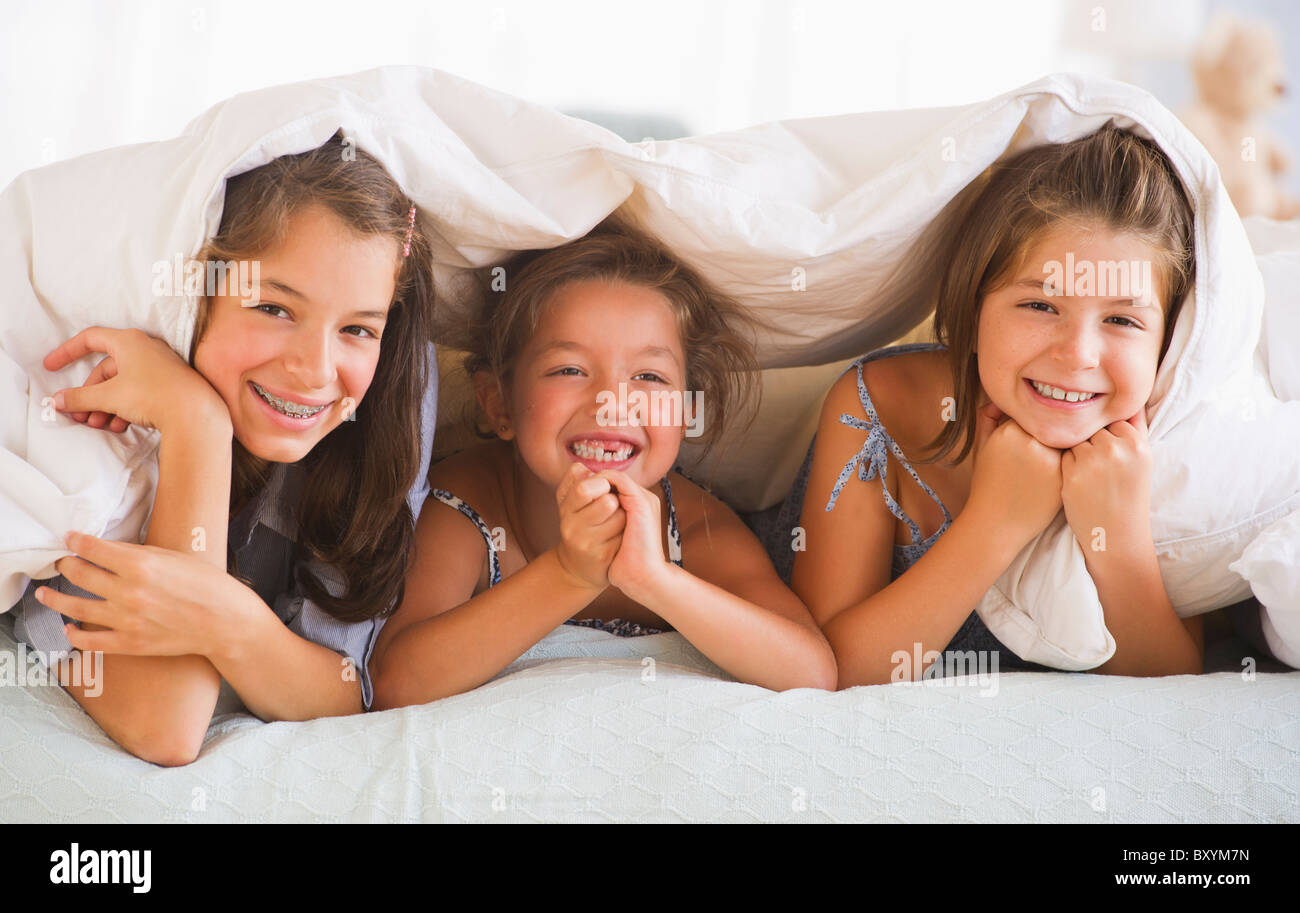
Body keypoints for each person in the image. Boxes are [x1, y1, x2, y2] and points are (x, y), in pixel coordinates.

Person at [13, 133, 437, 764]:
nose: (315, 370)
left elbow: (349, 691)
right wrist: (195, 428)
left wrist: (226, 617)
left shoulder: (384, 403)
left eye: (356, 328)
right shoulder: (93, 429)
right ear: (192, 295)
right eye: (273, 307)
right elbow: (166, 722)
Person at [781, 122, 1203, 687]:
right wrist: (996, 522)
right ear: (971, 312)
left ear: (1169, 343)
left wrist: (1119, 538)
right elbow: (834, 671)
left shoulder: (1184, 439)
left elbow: (1174, 690)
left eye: (1122, 320)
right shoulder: (882, 406)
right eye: (1039, 305)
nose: (1077, 355)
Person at [370, 218, 836, 708]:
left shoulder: (694, 526)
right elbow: (395, 686)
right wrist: (571, 573)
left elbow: (811, 672)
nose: (613, 402)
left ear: (686, 414)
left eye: (649, 376)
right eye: (569, 370)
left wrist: (655, 581)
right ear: (499, 402)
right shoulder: (468, 503)